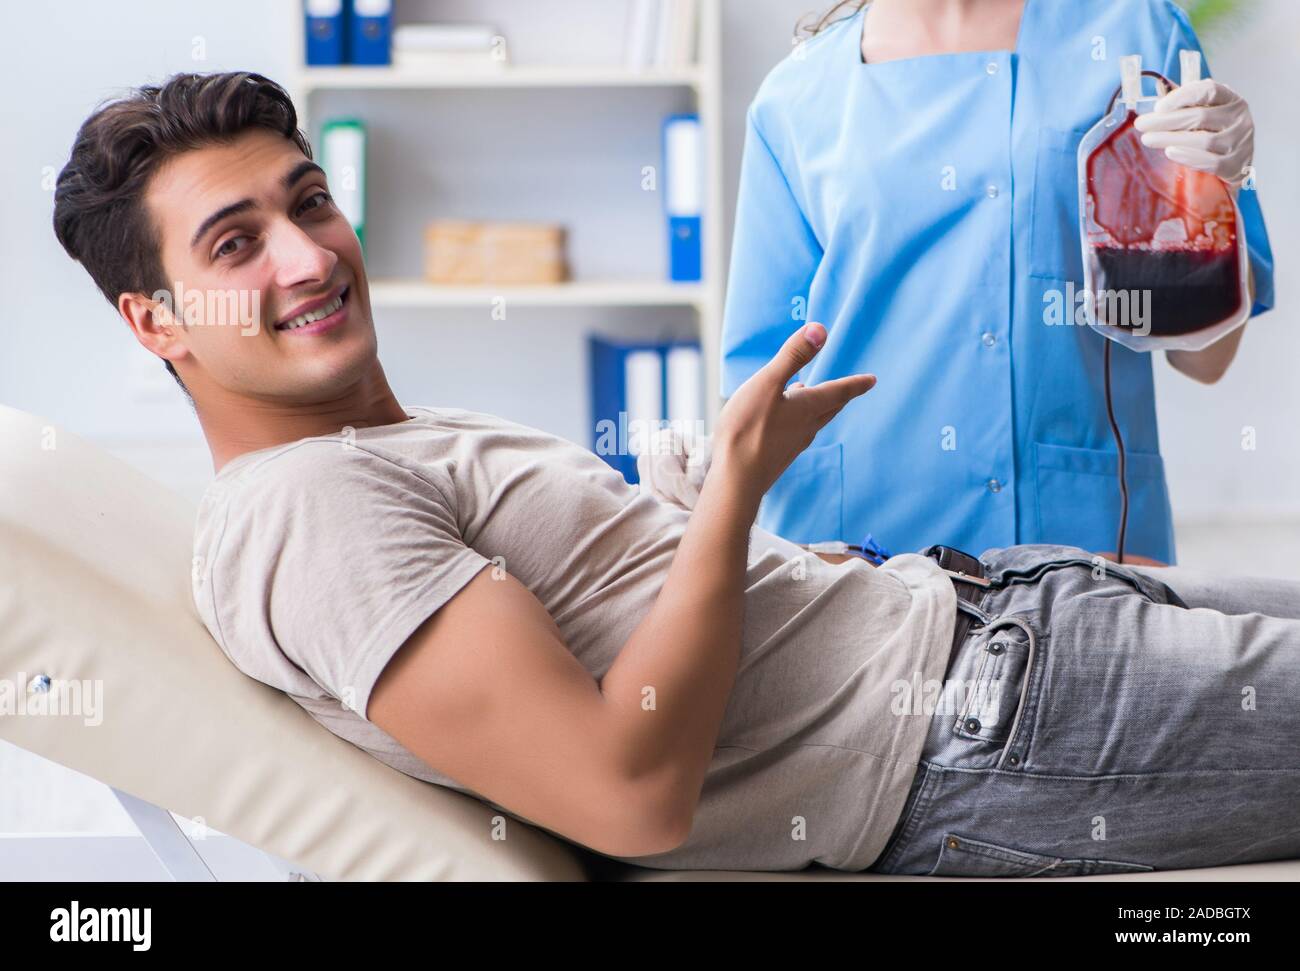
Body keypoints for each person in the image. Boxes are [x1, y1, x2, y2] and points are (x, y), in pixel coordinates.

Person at [51, 72, 1299, 876]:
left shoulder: (373, 444)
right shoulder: (302, 513)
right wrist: (734, 507)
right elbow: (624, 788)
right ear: (154, 321)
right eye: (236, 242)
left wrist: (688, 519)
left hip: (996, 610)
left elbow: (608, 644)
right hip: (981, 723)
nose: (306, 256)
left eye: (307, 201)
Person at [720, 0, 1275, 567]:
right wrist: (700, 473)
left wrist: (1224, 185)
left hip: (1080, 539)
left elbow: (1204, 359)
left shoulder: (1134, 31)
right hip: (852, 553)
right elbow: (758, 384)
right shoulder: (797, 92)